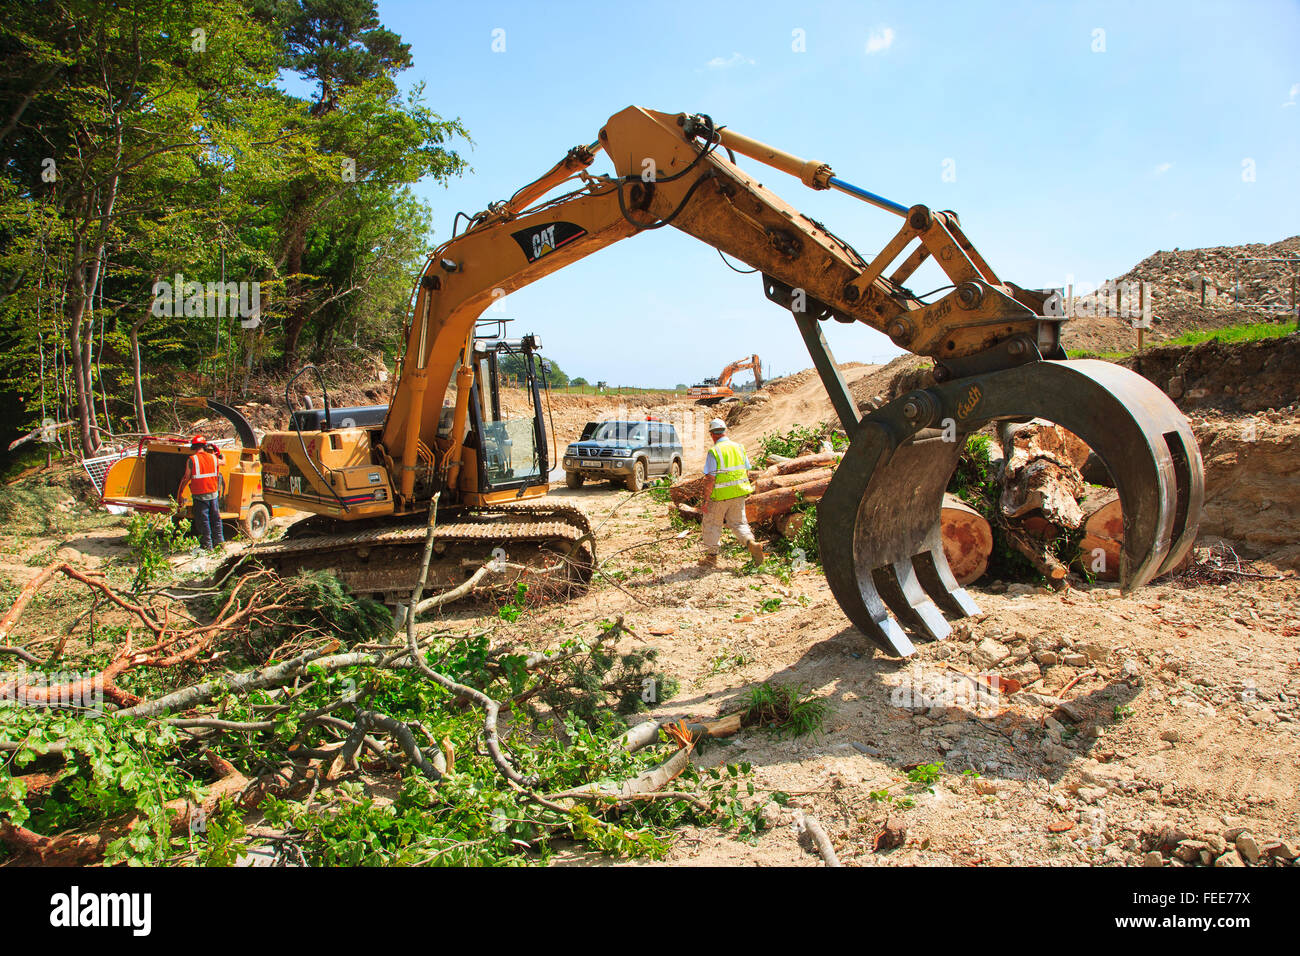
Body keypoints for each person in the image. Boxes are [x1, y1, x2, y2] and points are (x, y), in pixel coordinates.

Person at [699, 418, 764, 568]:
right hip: (739, 493)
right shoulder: (739, 447)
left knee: (711, 524)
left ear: (712, 434)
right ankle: (750, 542)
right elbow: (746, 470)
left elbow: (710, 478)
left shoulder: (714, 451)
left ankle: (711, 557)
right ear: (725, 431)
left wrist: (706, 500)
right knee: (739, 523)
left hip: (719, 496)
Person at [177, 435, 225, 550]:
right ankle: (220, 544)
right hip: (213, 494)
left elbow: (186, 477)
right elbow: (223, 462)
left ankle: (207, 545)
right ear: (204, 446)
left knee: (203, 520)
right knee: (215, 519)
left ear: (193, 447)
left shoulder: (192, 460)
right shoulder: (213, 458)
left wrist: (180, 492)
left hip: (199, 495)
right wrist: (220, 453)